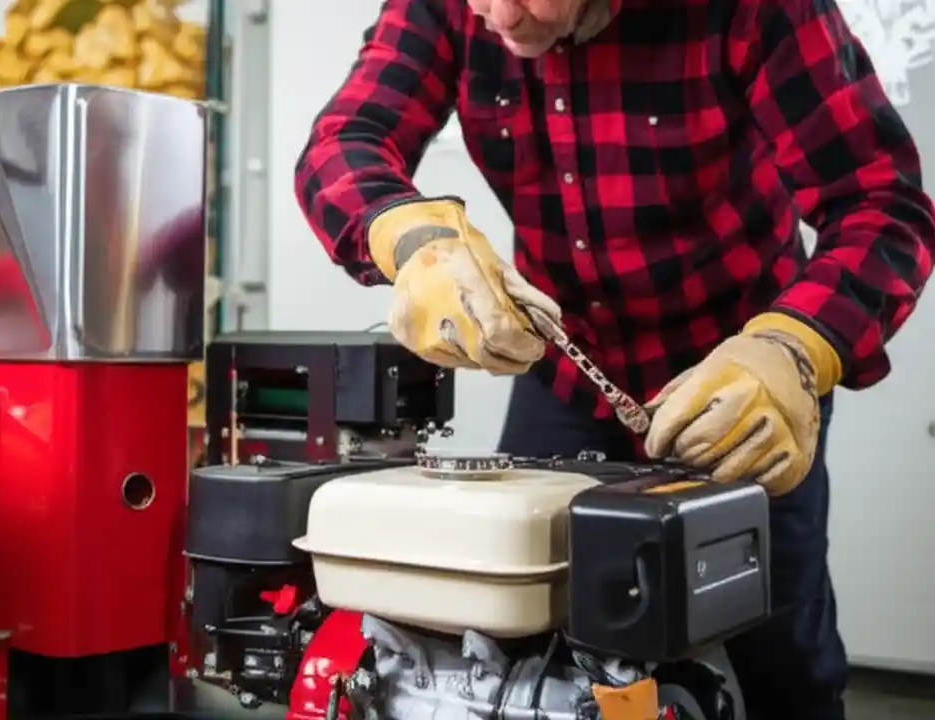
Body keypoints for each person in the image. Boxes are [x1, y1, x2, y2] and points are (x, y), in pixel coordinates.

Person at [292, 0, 935, 717]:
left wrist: (793, 348)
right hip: (572, 377)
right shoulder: (448, 8)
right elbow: (344, 139)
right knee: (522, 634)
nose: (497, 14)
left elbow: (882, 205)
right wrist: (407, 237)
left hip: (744, 383)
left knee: (778, 656)